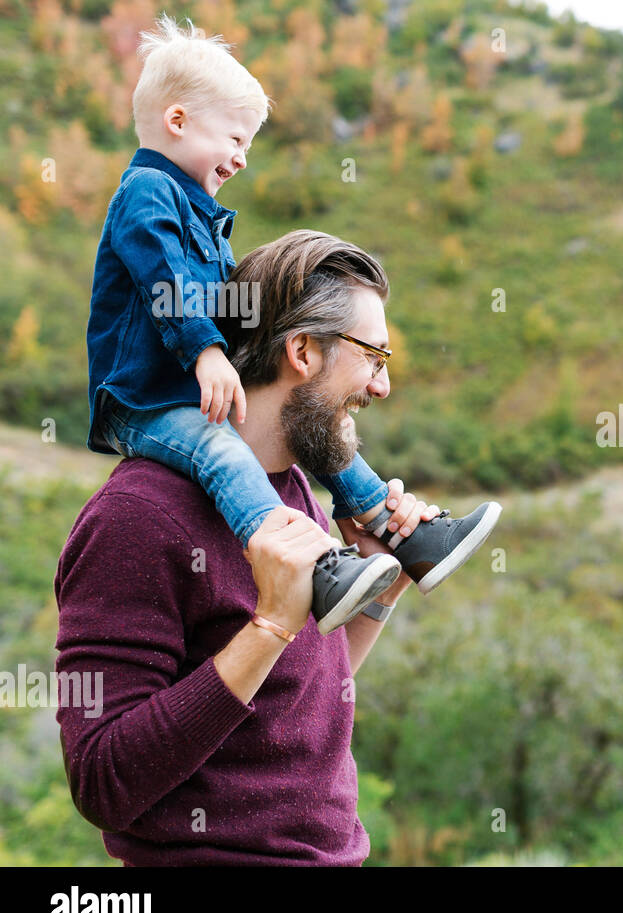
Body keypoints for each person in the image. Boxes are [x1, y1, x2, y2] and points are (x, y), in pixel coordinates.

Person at [56, 228, 460, 865]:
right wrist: (269, 623)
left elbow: (293, 702)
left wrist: (384, 585)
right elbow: (103, 781)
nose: (381, 387)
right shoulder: (137, 516)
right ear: (302, 350)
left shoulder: (290, 487)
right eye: (373, 358)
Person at [85, 14, 499, 633]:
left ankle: (398, 536)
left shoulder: (204, 215)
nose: (243, 159)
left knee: (317, 433)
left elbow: (325, 713)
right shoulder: (146, 193)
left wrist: (260, 342)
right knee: (221, 452)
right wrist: (205, 352)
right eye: (235, 139)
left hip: (186, 389)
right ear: (177, 122)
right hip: (141, 399)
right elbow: (164, 284)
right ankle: (314, 570)